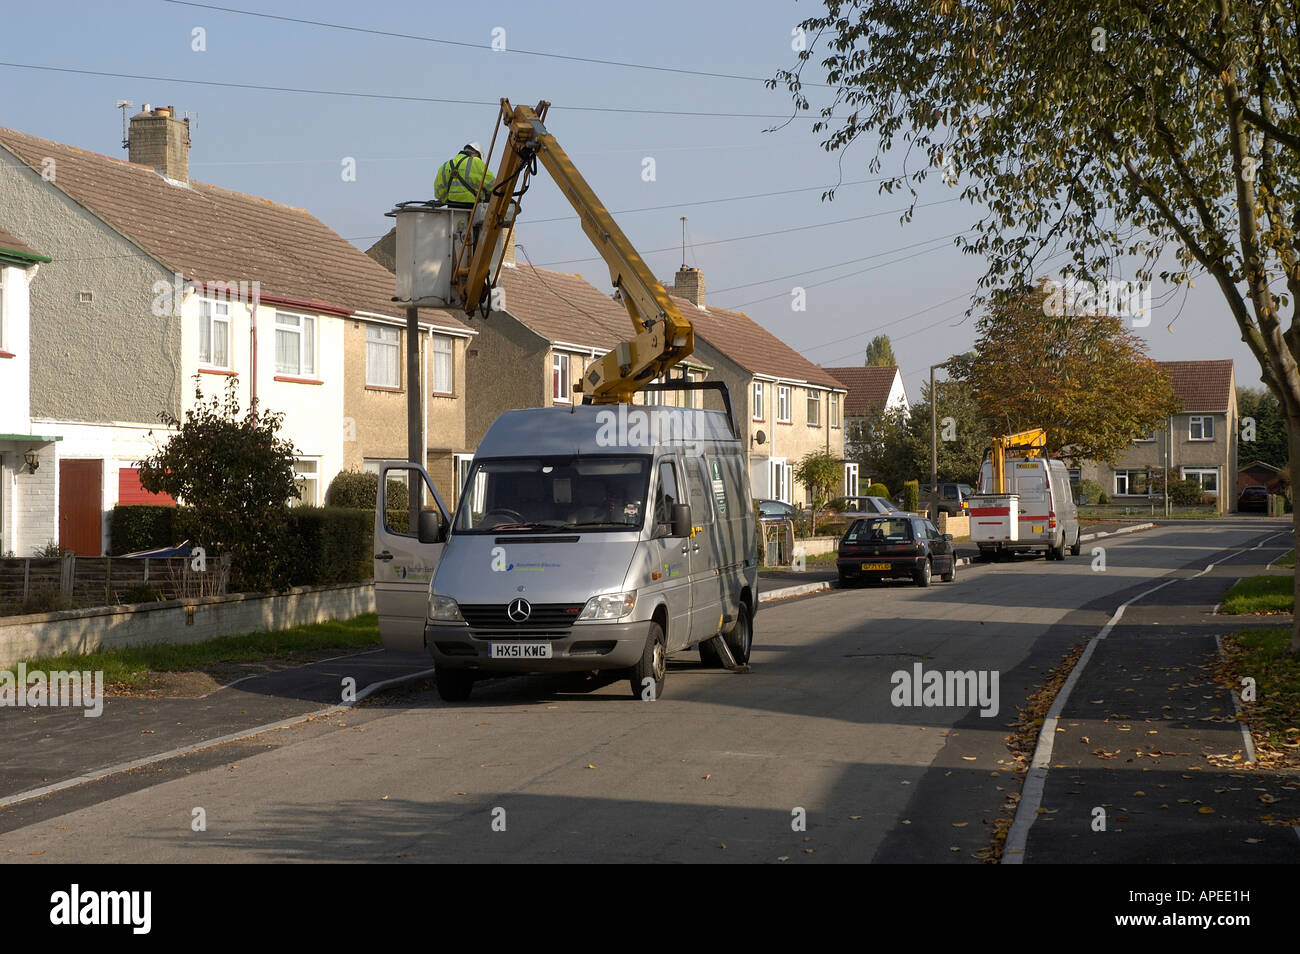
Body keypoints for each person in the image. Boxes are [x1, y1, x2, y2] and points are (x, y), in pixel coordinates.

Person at [434, 142, 495, 208]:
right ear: (476, 154)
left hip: (452, 208)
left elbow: (438, 193)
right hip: (473, 209)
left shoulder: (445, 165)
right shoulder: (476, 162)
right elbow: (493, 186)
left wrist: (447, 199)